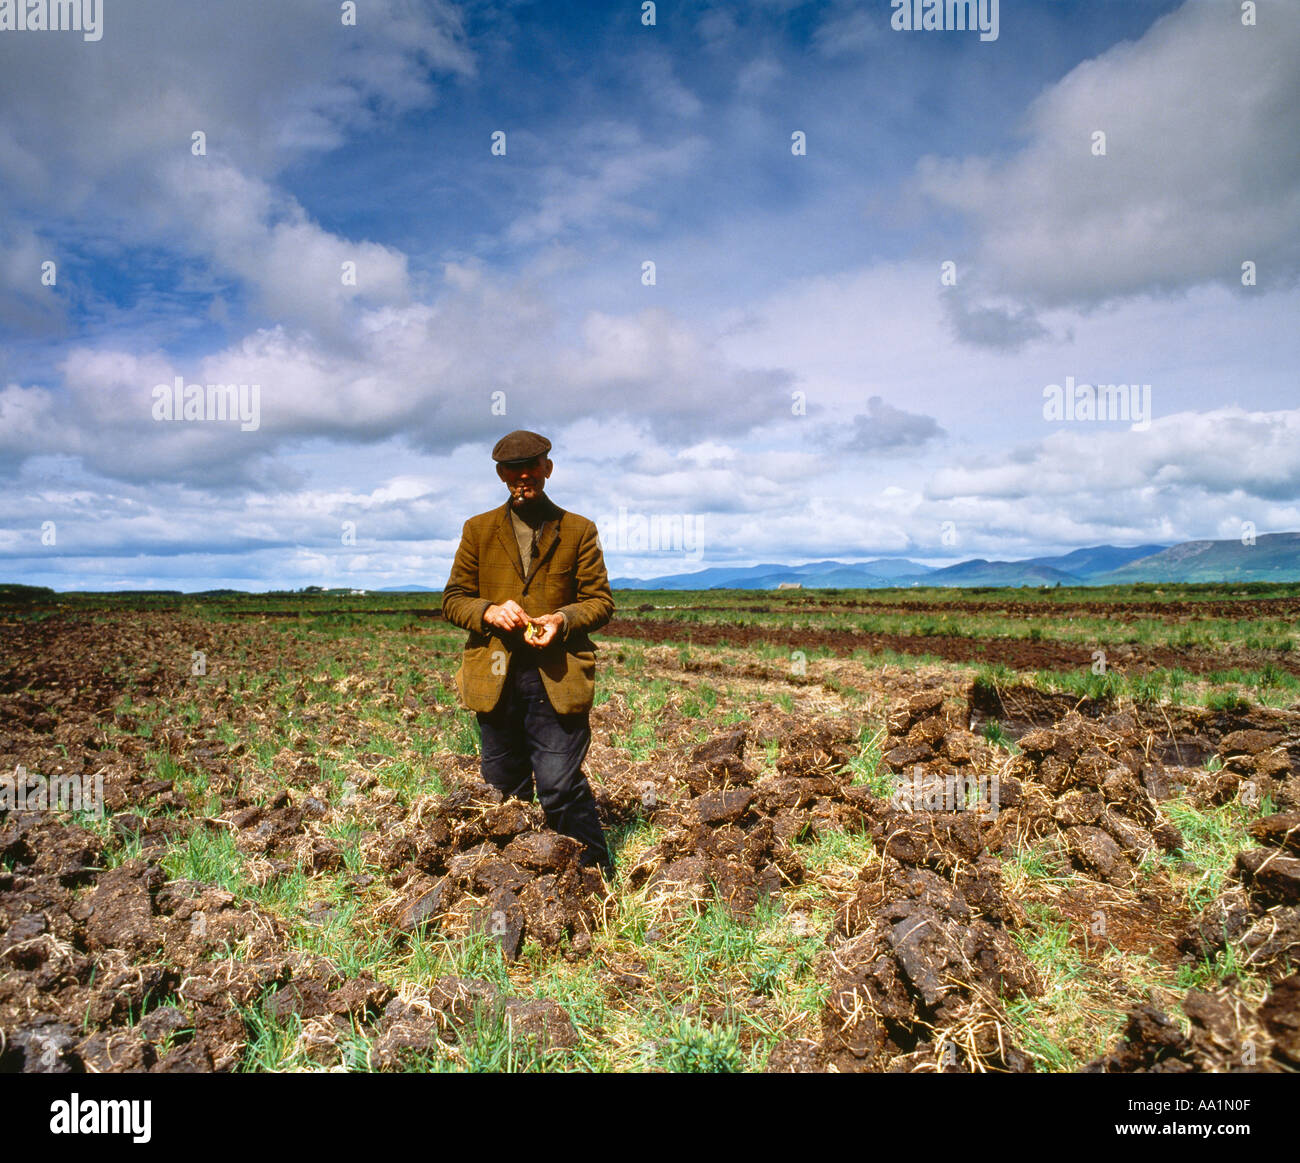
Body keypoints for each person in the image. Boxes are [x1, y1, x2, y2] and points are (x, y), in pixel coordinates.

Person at [441, 429, 616, 877]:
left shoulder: (579, 530)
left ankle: (593, 876)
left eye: (532, 468)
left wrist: (561, 620)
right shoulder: (477, 530)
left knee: (558, 786)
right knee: (503, 790)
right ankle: (517, 883)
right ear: (500, 475)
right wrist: (488, 612)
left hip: (556, 677)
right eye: (513, 471)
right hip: (495, 676)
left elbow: (600, 602)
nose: (523, 478)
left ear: (547, 469)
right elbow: (453, 598)